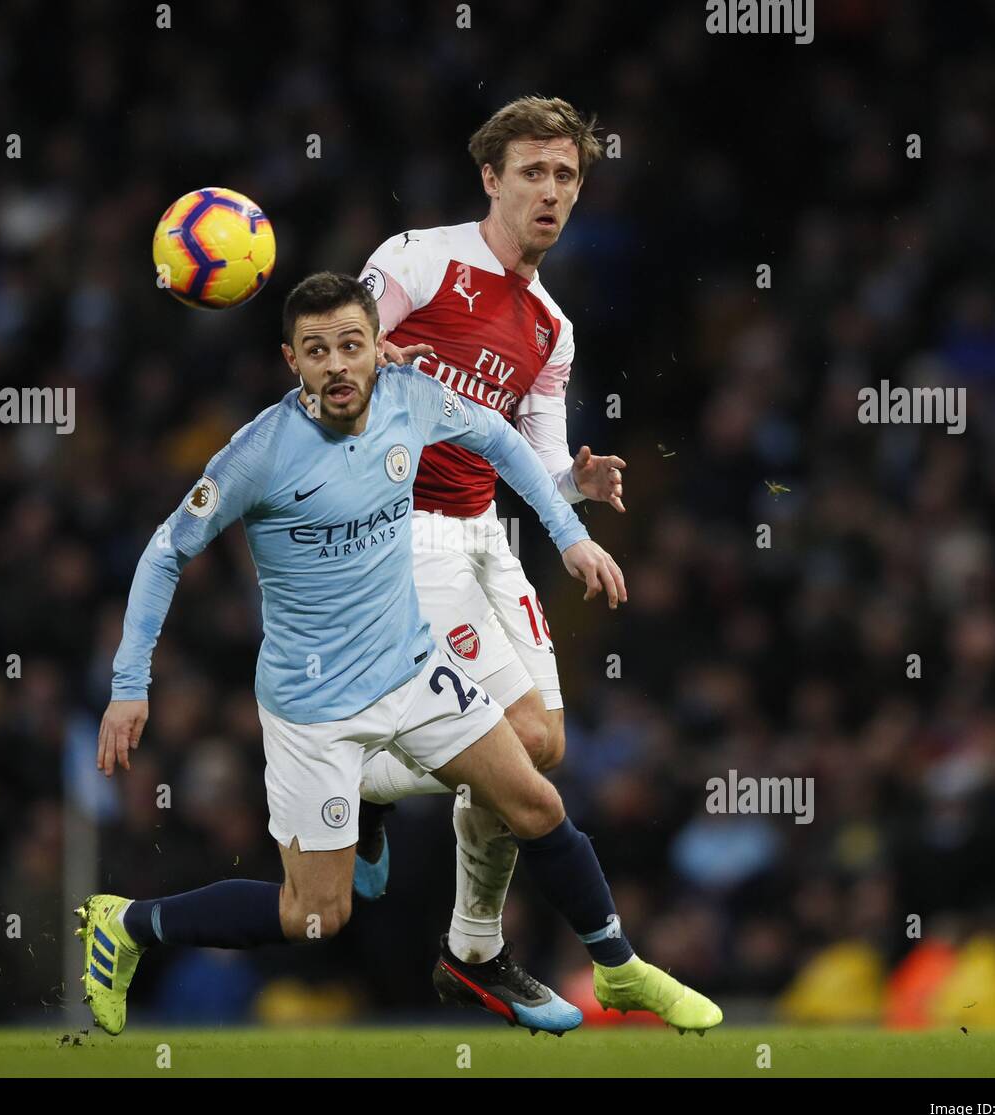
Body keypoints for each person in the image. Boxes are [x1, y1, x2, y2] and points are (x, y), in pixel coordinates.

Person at [79, 272, 722, 1038]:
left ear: (376, 347)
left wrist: (571, 535)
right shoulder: (259, 451)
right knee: (315, 914)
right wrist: (130, 683)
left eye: (352, 345)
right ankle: (128, 925)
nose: (338, 365)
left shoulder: (411, 399)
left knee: (536, 800)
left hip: (417, 672)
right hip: (311, 711)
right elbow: (164, 552)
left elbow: (500, 441)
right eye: (318, 351)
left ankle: (617, 966)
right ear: (293, 361)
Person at [351, 95, 628, 1017]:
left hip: (483, 536)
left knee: (541, 745)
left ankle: (372, 786)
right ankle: (473, 945)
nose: (551, 192)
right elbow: (327, 362)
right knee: (511, 755)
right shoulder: (416, 260)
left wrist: (577, 486)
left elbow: (540, 464)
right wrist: (362, 357)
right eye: (533, 173)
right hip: (400, 534)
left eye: (567, 177)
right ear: (491, 179)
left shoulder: (551, 326)